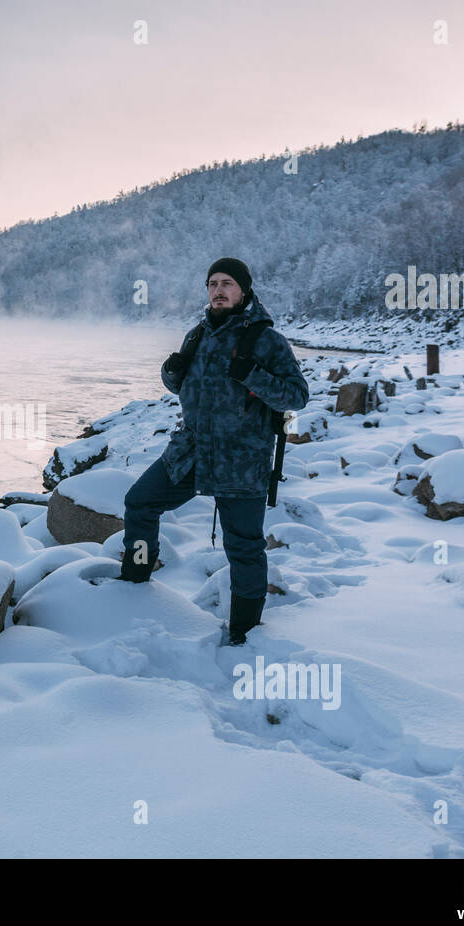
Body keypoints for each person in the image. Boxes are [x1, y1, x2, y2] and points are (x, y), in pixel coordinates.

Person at [118, 257, 310, 646]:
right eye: (212, 284)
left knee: (243, 546)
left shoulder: (266, 340)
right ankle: (134, 582)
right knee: (139, 503)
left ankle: (245, 631)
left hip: (242, 459)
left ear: (243, 290)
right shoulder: (197, 335)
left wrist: (252, 375)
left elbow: (297, 396)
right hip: (191, 451)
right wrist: (171, 372)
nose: (218, 290)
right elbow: (183, 387)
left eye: (226, 283)